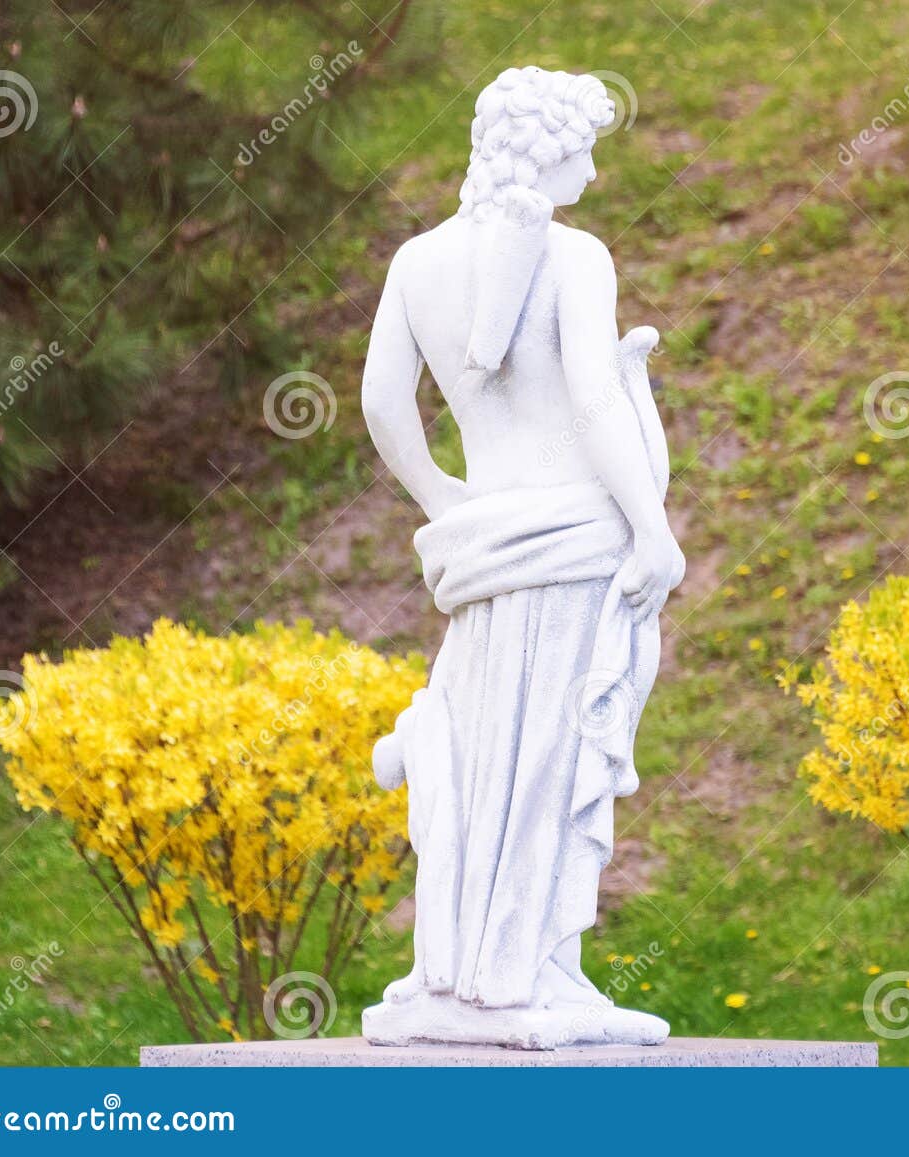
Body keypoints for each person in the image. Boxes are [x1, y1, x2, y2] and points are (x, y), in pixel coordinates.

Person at [359, 66, 683, 1049]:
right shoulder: (574, 257)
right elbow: (591, 398)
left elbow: (382, 402)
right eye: (582, 146)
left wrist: (443, 497)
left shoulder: (417, 260)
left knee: (487, 743)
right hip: (577, 538)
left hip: (486, 541)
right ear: (544, 150)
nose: (591, 164)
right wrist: (653, 527)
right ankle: (523, 977)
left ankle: (484, 975)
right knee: (548, 756)